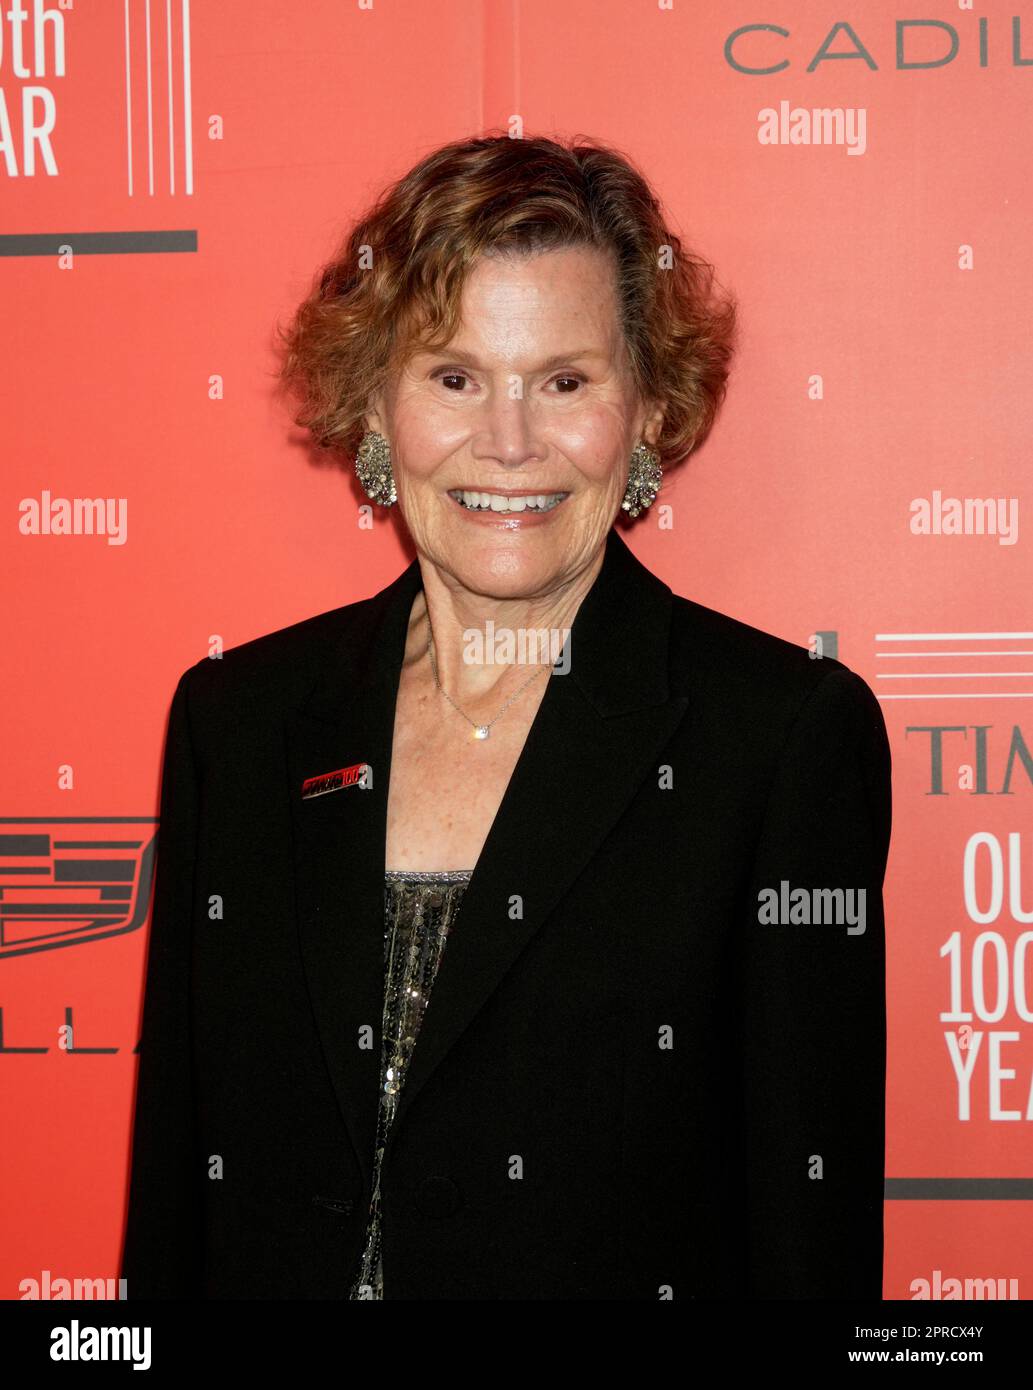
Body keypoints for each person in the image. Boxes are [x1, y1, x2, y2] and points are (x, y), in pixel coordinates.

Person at [121, 133, 891, 1300]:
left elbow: (806, 1241)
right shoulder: (239, 722)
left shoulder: (774, 741)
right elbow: (177, 1197)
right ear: (377, 411)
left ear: (645, 411)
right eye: (454, 376)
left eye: (565, 381)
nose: (511, 443)